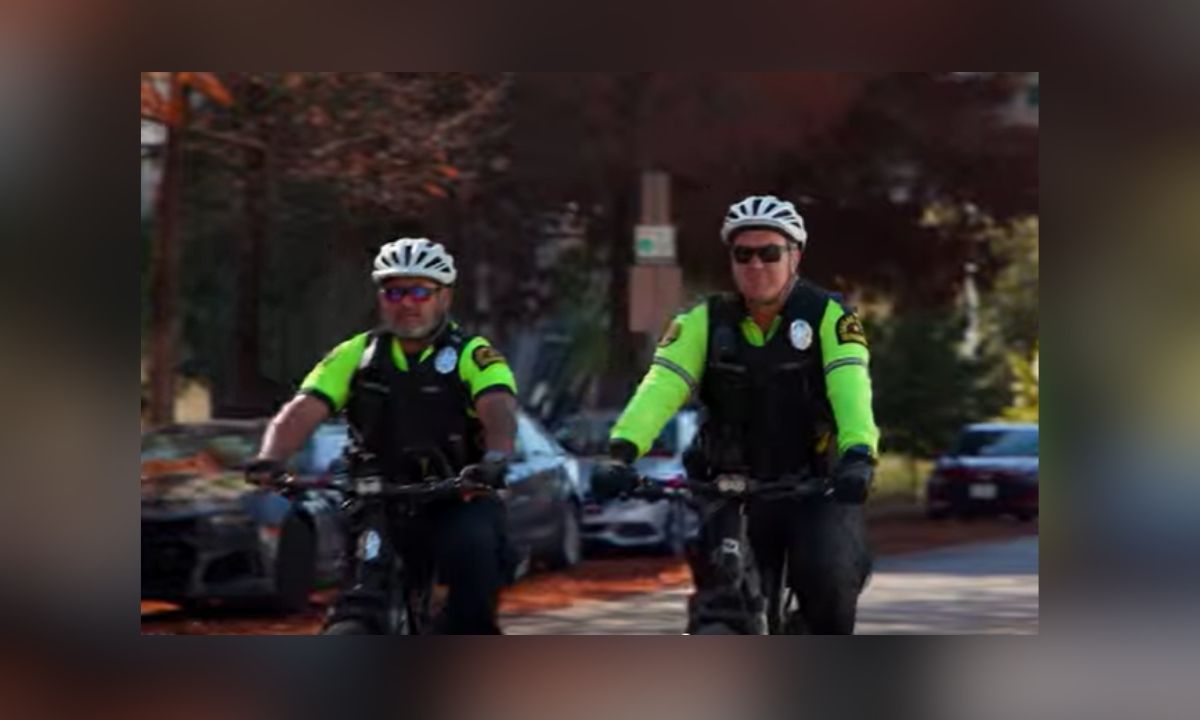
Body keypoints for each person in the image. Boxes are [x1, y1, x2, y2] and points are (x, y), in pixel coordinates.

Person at [592, 195, 879, 634]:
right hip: (727, 484)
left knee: (830, 578)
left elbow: (850, 387)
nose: (756, 264)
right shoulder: (703, 321)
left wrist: (859, 455)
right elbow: (660, 387)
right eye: (743, 254)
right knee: (720, 595)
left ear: (794, 256)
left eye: (769, 253)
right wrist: (621, 450)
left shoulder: (828, 317)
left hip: (815, 485)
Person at [245, 237, 519, 634]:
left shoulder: (471, 353)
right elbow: (303, 409)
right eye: (395, 291)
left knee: (473, 566)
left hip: (458, 493)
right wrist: (271, 457)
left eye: (420, 291)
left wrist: (496, 460)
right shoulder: (356, 355)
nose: (407, 303)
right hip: (377, 496)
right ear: (381, 298)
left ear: (444, 297)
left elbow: (498, 409)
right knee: (360, 595)